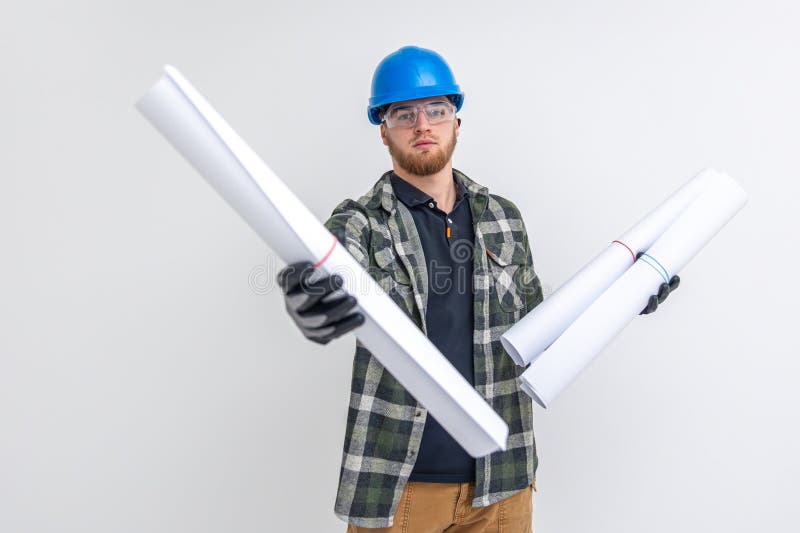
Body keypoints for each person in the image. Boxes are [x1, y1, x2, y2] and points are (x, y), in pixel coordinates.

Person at [276, 46, 678, 532]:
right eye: (405, 113)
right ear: (383, 129)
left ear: (456, 123)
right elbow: (323, 262)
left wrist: (623, 296)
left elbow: (537, 330)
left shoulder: (502, 216)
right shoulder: (360, 221)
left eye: (437, 111)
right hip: (400, 487)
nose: (422, 124)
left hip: (503, 483)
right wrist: (308, 287)